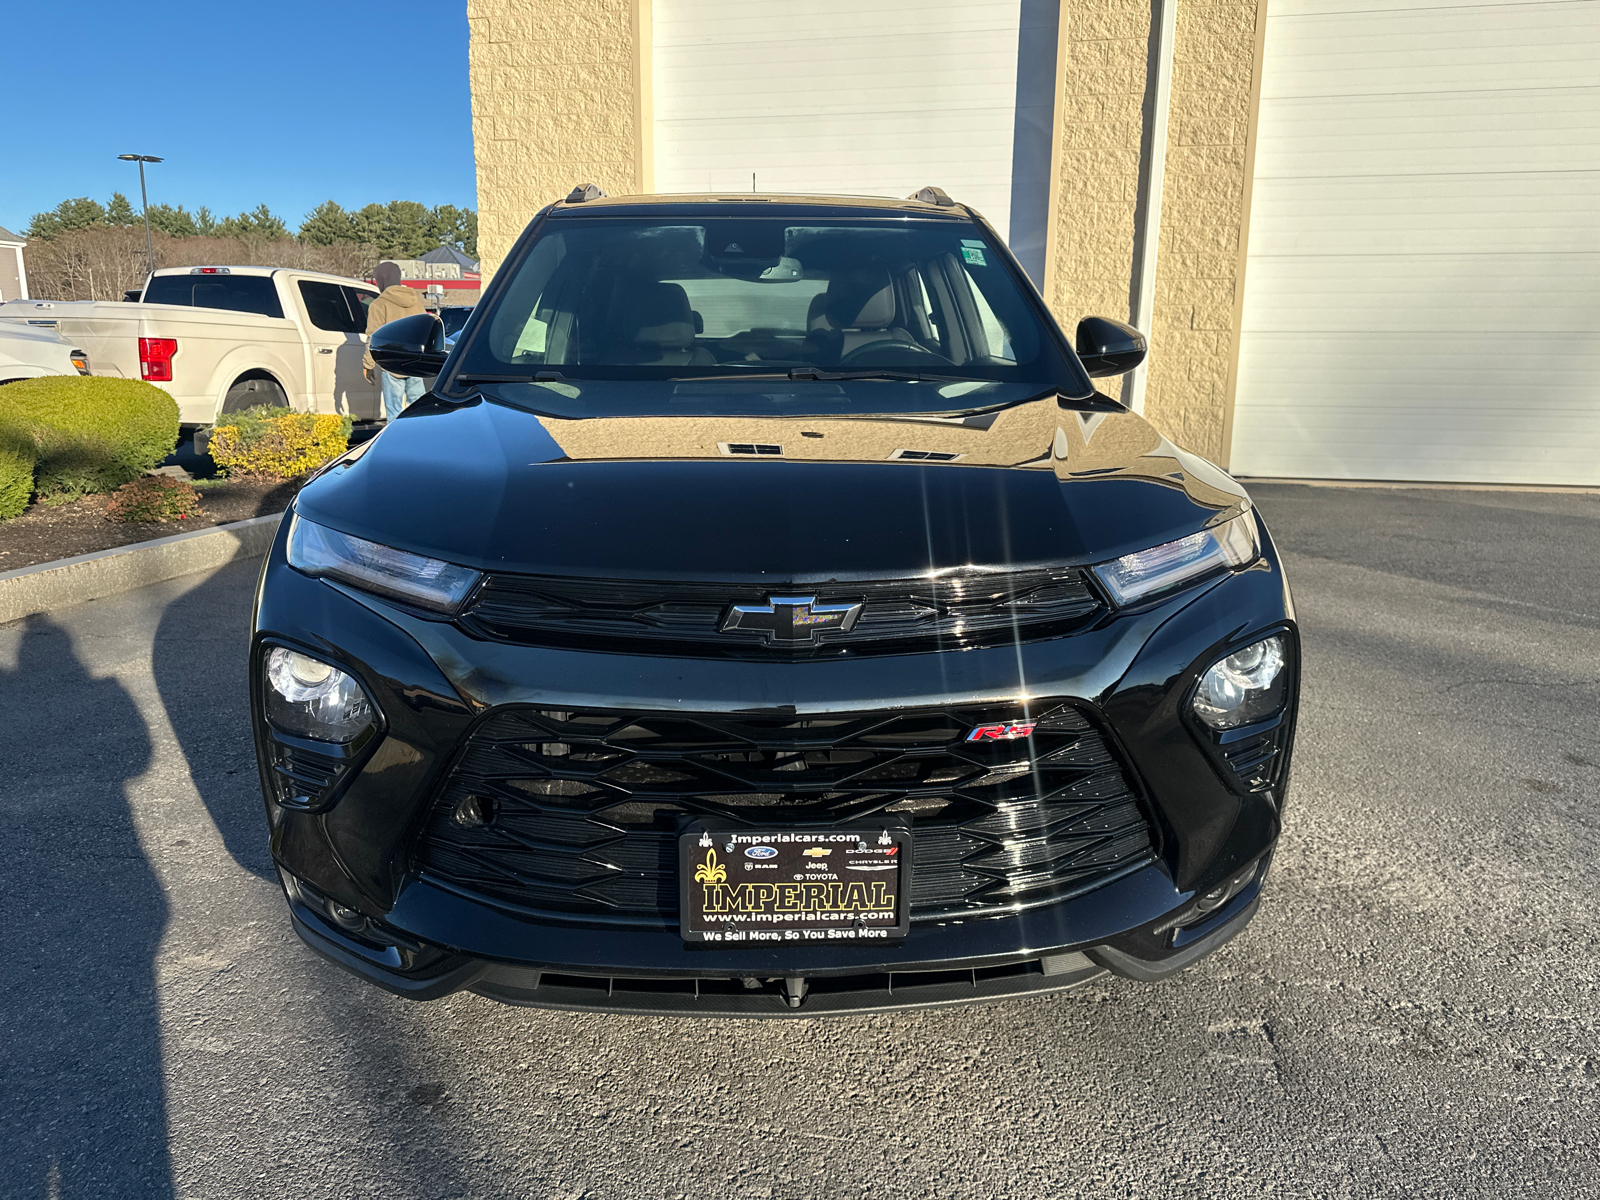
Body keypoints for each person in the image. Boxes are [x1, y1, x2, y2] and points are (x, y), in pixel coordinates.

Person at [363, 261, 427, 420]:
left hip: (391, 364)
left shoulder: (379, 305)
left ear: (381, 280)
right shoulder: (416, 303)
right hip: (415, 363)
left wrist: (368, 364)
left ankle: (396, 437)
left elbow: (373, 336)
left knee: (394, 414)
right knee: (419, 412)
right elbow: (424, 332)